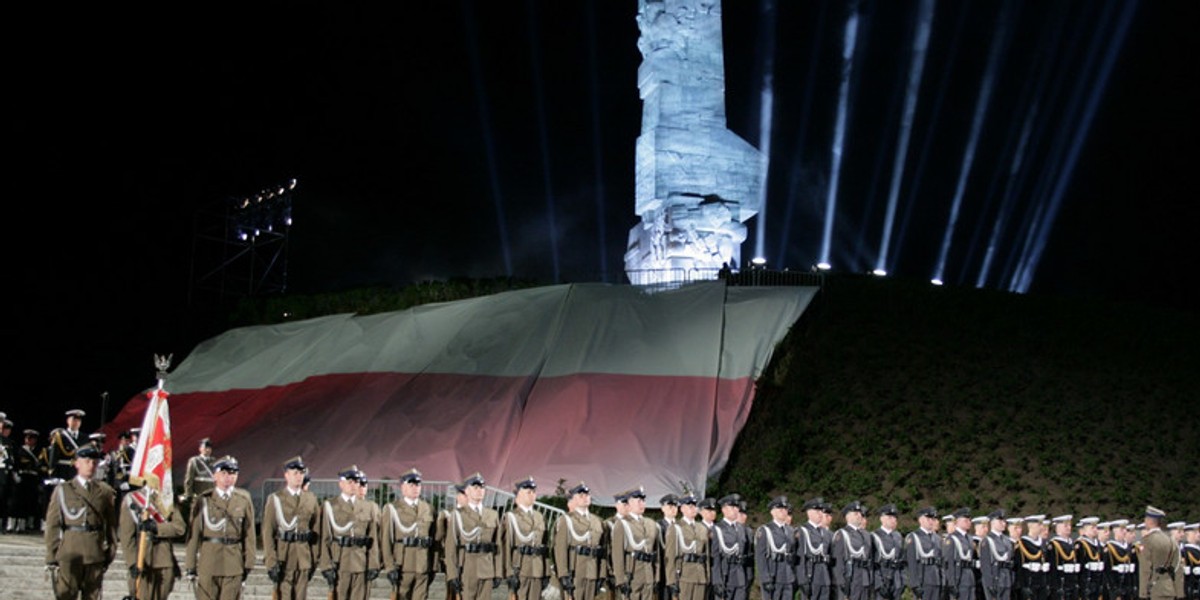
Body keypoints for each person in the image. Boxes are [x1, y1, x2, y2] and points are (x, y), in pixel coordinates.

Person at [43, 444, 117, 600]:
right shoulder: (64, 490)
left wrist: (109, 553)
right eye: (87, 461)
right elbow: (52, 525)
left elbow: (111, 526)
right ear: (77, 463)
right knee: (66, 595)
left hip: (94, 554)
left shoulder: (105, 491)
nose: (91, 465)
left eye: (95, 462)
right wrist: (52, 556)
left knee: (92, 596)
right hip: (70, 553)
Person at [184, 455, 257, 600]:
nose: (228, 477)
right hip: (209, 563)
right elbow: (194, 536)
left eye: (232, 473)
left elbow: (249, 534)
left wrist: (249, 563)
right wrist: (190, 565)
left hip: (233, 564)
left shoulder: (243, 499)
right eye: (224, 473)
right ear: (215, 475)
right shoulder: (203, 500)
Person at [318, 465, 382, 600]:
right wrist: (326, 566)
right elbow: (325, 538)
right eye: (350, 482)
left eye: (356, 482)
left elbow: (373, 539)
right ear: (341, 484)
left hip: (361, 564)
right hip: (340, 564)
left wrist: (374, 565)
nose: (354, 485)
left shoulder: (368, 507)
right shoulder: (330, 506)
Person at [261, 456, 319, 600]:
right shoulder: (276, 499)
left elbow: (317, 532)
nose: (299, 476)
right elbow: (268, 532)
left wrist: (314, 559)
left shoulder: (311, 499)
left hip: (304, 559)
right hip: (283, 558)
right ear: (286, 475)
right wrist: (271, 562)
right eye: (295, 473)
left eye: (301, 473)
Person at [118, 482, 186, 600]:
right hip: (142, 561)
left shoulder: (167, 500)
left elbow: (180, 528)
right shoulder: (132, 499)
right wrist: (132, 562)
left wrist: (156, 527)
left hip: (164, 561)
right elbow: (126, 536)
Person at [445, 472, 502, 600]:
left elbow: (498, 547)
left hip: (487, 569)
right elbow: (451, 548)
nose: (479, 491)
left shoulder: (492, 515)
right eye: (475, 487)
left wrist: (498, 572)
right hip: (467, 568)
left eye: (482, 487)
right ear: (466, 490)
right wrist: (452, 575)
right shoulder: (458, 515)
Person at [382, 468, 436, 600]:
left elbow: (434, 539)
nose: (415, 488)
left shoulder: (428, 509)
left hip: (423, 565)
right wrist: (389, 567)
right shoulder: (393, 509)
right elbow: (386, 540)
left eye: (418, 484)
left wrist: (433, 566)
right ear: (402, 487)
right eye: (411, 484)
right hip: (403, 565)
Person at [552, 482, 607, 600]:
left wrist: (602, 575)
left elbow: (603, 551)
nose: (585, 497)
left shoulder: (598, 522)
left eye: (587, 495)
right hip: (574, 573)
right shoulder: (566, 521)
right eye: (581, 495)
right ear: (572, 500)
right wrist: (563, 575)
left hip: (592, 573)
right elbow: (560, 550)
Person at [502, 477, 549, 600]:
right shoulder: (511, 517)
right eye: (528, 492)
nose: (532, 495)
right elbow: (506, 547)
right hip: (520, 569)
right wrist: (509, 573)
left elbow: (545, 547)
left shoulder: (540, 517)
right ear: (519, 495)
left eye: (534, 492)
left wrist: (547, 572)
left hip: (538, 570)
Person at [611, 486, 659, 600]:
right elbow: (617, 555)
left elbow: (656, 553)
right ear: (628, 504)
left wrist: (656, 576)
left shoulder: (651, 524)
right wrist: (620, 581)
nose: (642, 504)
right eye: (638, 501)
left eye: (643, 500)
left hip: (648, 576)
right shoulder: (622, 524)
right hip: (632, 576)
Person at [664, 494, 709, 600]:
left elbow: (706, 555)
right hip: (684, 577)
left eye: (695, 506)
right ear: (682, 508)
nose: (694, 508)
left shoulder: (702, 528)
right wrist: (671, 582)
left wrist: (707, 576)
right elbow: (670, 557)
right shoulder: (676, 528)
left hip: (700, 576)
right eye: (690, 506)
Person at [1138, 506, 1183, 600]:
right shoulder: (1171, 541)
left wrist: (1143, 593)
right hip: (1169, 588)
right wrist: (1180, 593)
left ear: (1150, 521)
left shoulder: (1147, 541)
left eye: (1146, 519)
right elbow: (1178, 568)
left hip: (1154, 589)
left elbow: (1145, 569)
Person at [756, 496, 795, 600]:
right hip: (773, 576)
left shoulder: (791, 531)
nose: (783, 512)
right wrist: (765, 579)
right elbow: (760, 557)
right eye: (780, 509)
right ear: (772, 512)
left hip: (788, 577)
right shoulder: (765, 530)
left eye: (785, 509)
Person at [713, 494, 751, 600]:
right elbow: (715, 558)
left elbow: (745, 554)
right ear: (724, 509)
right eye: (732, 507)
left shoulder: (741, 529)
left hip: (740, 577)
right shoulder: (718, 529)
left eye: (737, 507)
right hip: (726, 576)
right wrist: (717, 582)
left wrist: (748, 576)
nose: (735, 510)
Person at [831, 501, 872, 600]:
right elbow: (838, 562)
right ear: (848, 517)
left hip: (864, 578)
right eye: (856, 514)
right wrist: (841, 583)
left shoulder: (866, 535)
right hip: (850, 578)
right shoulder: (842, 534)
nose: (859, 516)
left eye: (860, 513)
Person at [11, 429, 47, 533]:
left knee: (31, 501)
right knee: (18, 501)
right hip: (23, 476)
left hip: (33, 477)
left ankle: (27, 524)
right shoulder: (20, 450)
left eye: (31, 438)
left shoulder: (40, 451)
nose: (28, 440)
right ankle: (16, 525)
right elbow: (15, 463)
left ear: (35, 440)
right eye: (27, 438)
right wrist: (16, 474)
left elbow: (42, 466)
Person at [437, 484, 469, 600]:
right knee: (452, 592)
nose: (467, 497)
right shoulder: (448, 514)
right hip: (453, 557)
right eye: (464, 495)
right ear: (458, 496)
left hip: (470, 558)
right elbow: (439, 536)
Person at [906, 506, 944, 600]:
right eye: (928, 519)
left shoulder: (937, 538)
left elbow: (941, 561)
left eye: (933, 519)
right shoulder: (914, 537)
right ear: (921, 520)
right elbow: (912, 562)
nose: (931, 521)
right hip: (922, 579)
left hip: (936, 579)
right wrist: (914, 584)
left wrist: (943, 580)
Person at [870, 504, 904, 600]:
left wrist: (903, 581)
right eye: (890, 517)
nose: (893, 520)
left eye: (894, 517)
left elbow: (902, 561)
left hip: (896, 580)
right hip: (882, 578)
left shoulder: (898, 536)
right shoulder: (874, 536)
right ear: (882, 519)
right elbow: (872, 563)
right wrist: (878, 584)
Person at [979, 510, 1015, 600]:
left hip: (1006, 578)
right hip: (995, 578)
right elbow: (985, 565)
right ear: (992, 523)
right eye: (1000, 521)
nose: (1003, 524)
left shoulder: (1007, 540)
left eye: (1004, 521)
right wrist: (989, 583)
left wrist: (1011, 578)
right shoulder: (987, 541)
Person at [1016, 515, 1050, 600]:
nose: (1042, 527)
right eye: (1039, 525)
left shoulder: (1044, 543)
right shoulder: (1022, 543)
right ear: (1030, 526)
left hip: (1042, 581)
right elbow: (1019, 566)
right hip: (1029, 581)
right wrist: (1023, 585)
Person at [46, 410, 86, 481]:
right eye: (74, 419)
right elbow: (53, 457)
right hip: (62, 472)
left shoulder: (84, 437)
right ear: (68, 421)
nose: (76, 422)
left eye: (78, 420)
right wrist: (53, 474)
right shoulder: (60, 436)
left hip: (78, 473)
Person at [1047, 515, 1079, 600]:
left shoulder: (1072, 543)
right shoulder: (1054, 544)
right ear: (1058, 528)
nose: (1068, 528)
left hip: (1072, 582)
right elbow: (1052, 567)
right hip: (1061, 583)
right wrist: (1055, 586)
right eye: (1065, 526)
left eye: (1069, 525)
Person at [1102, 520, 1136, 600]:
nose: (1124, 532)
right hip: (1116, 586)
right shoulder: (1110, 548)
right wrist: (1114, 589)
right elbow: (1107, 571)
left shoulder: (1129, 547)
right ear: (1115, 531)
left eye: (1125, 529)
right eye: (1121, 530)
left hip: (1128, 586)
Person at [182, 438, 215, 508]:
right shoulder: (194, 461)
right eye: (206, 448)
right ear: (200, 449)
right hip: (200, 496)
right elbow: (189, 480)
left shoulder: (213, 461)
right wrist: (189, 495)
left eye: (209, 448)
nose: (208, 450)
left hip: (212, 497)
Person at [1182, 524, 1199, 600]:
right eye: (1196, 532)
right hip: (1193, 586)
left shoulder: (1196, 549)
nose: (1199, 534)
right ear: (1188, 535)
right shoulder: (1187, 550)